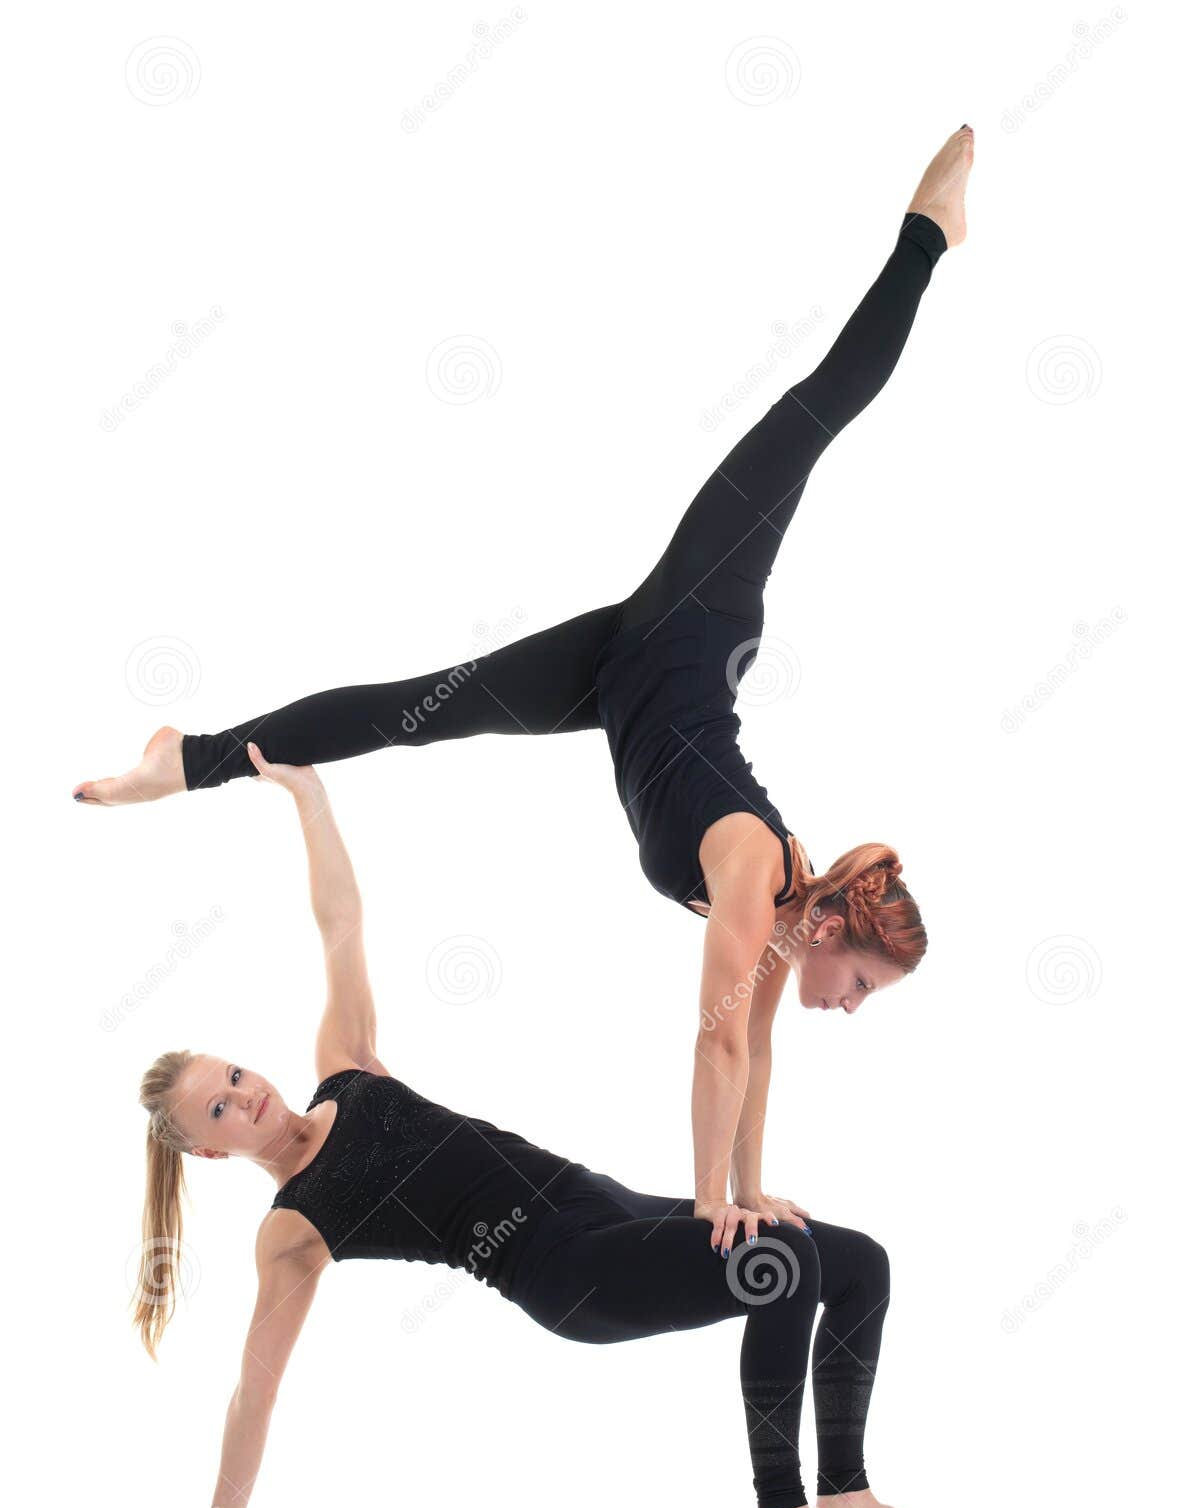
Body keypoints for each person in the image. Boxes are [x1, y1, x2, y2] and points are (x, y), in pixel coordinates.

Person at [81, 128, 975, 1252]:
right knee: (814, 414)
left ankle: (190, 755)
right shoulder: (755, 868)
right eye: (861, 981)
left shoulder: (783, 921)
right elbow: (716, 1045)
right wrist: (709, 1202)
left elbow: (755, 1046)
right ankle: (929, 234)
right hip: (693, 624)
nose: (848, 1003)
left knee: (404, 711)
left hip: (621, 671)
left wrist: (753, 1183)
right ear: (838, 922)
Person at [136, 750, 956, 1508]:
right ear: (210, 1149)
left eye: (234, 1076)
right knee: (782, 1260)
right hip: (568, 1272)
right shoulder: (292, 1228)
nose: (245, 1098)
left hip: (605, 1203)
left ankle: (844, 1494)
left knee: (858, 1265)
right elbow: (255, 1387)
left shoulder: (345, 1065)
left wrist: (308, 797)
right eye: (219, 1110)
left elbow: (340, 921)